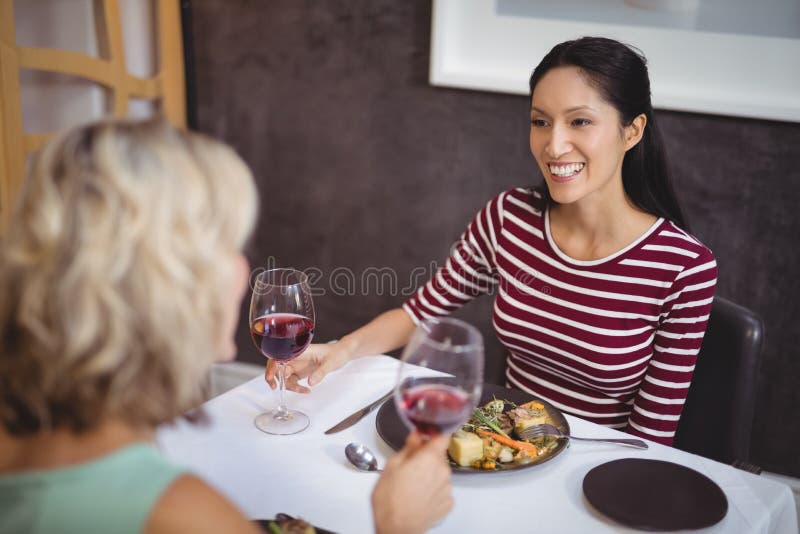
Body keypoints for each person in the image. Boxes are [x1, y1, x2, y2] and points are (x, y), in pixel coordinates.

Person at [0, 118, 452, 534]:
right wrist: (398, 525)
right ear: (172, 287)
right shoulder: (182, 515)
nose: (242, 269)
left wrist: (343, 348)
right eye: (227, 247)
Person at [268, 36, 718, 447]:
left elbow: (650, 439)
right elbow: (420, 312)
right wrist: (338, 351)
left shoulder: (684, 267)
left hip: (598, 466)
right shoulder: (509, 218)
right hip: (501, 451)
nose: (554, 145)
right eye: (541, 122)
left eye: (580, 121)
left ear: (632, 131)